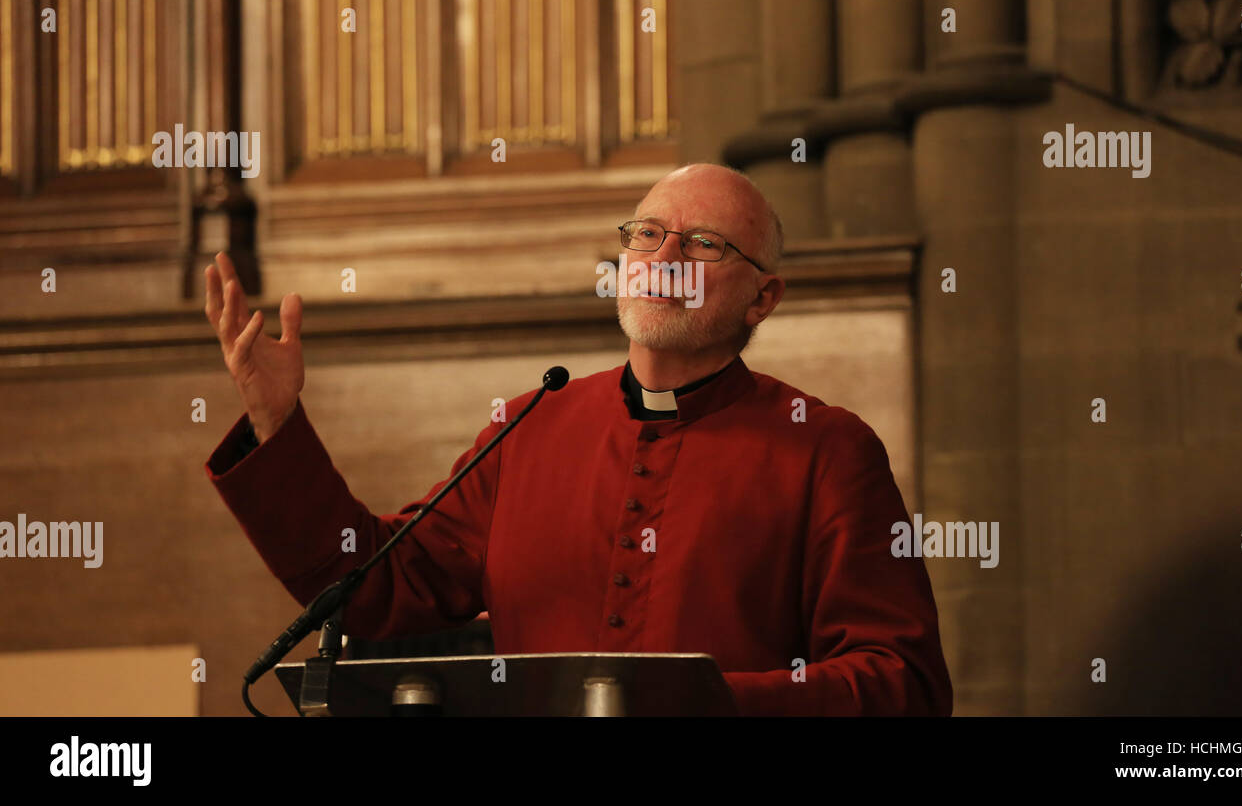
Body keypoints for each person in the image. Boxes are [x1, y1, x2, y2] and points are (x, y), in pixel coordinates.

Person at [203, 163, 953, 715]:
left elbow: (904, 683)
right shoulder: (531, 427)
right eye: (648, 236)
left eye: (703, 246)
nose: (663, 261)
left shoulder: (826, 450)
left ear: (764, 297)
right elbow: (378, 590)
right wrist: (277, 422)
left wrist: (703, 704)